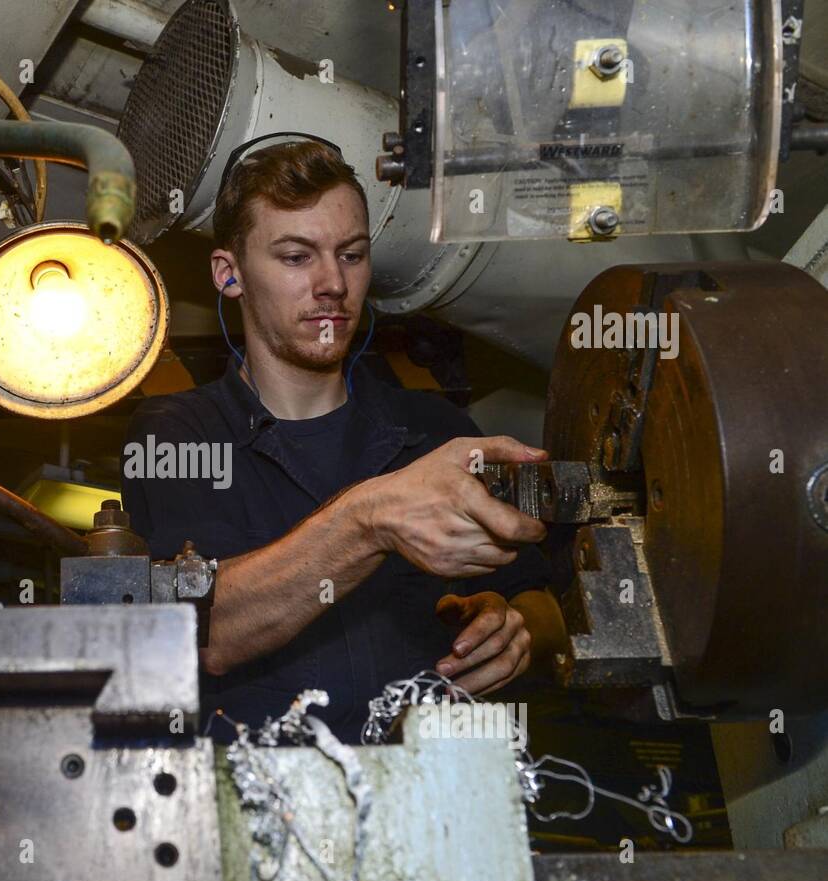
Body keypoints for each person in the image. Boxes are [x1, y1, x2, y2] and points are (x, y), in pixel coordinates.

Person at [120, 138, 567, 743]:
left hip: (433, 805)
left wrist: (515, 628)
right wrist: (368, 519)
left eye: (351, 255)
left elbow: (544, 605)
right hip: (261, 808)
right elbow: (207, 632)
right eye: (297, 257)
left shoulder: (436, 430)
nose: (332, 283)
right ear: (230, 275)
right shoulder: (179, 435)